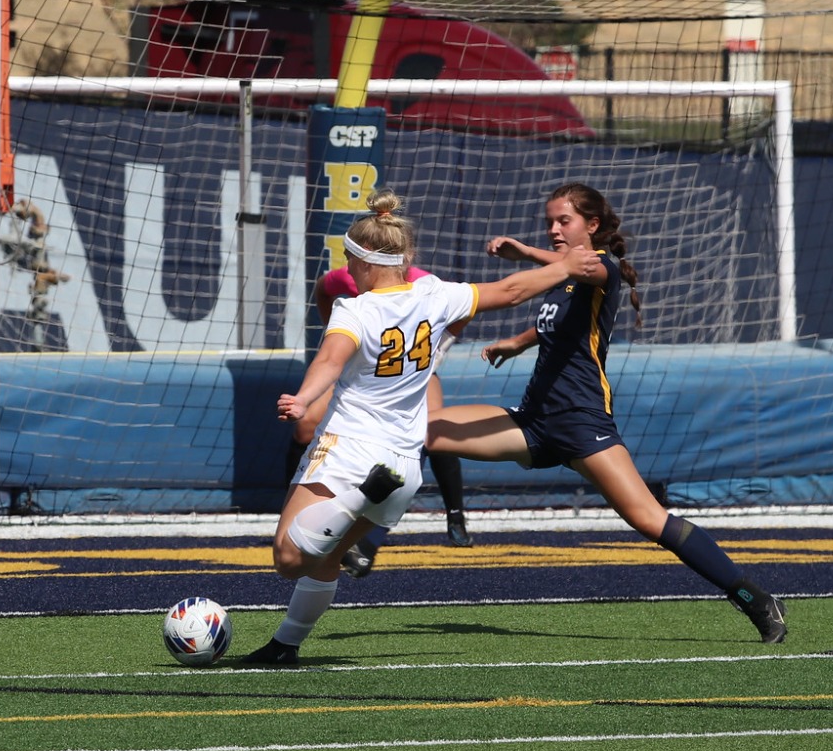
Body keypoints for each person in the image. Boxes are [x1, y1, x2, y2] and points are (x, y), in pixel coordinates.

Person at [426, 182, 787, 644]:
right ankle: (352, 544)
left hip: (582, 422)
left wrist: (525, 254)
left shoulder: (604, 270)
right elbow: (556, 320)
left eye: (564, 221)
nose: (555, 229)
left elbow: (580, 268)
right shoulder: (564, 279)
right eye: (550, 222)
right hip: (534, 422)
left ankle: (755, 599)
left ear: (591, 226)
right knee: (424, 431)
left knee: (649, 519)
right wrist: (516, 342)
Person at [247, 197, 577, 665]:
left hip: (351, 449)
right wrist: (567, 266)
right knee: (322, 558)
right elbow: (513, 290)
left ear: (364, 261)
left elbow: (329, 359)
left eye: (349, 257)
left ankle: (353, 502)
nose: (346, 265)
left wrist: (303, 398)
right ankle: (285, 646)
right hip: (404, 462)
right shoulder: (436, 294)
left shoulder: (354, 310)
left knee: (288, 557)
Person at [285, 195, 474, 568]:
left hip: (415, 371)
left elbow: (463, 312)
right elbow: (325, 288)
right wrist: (334, 334)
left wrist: (437, 348)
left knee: (433, 429)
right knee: (305, 424)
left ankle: (453, 517)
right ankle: (302, 506)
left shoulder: (424, 285)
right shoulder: (348, 277)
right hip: (366, 375)